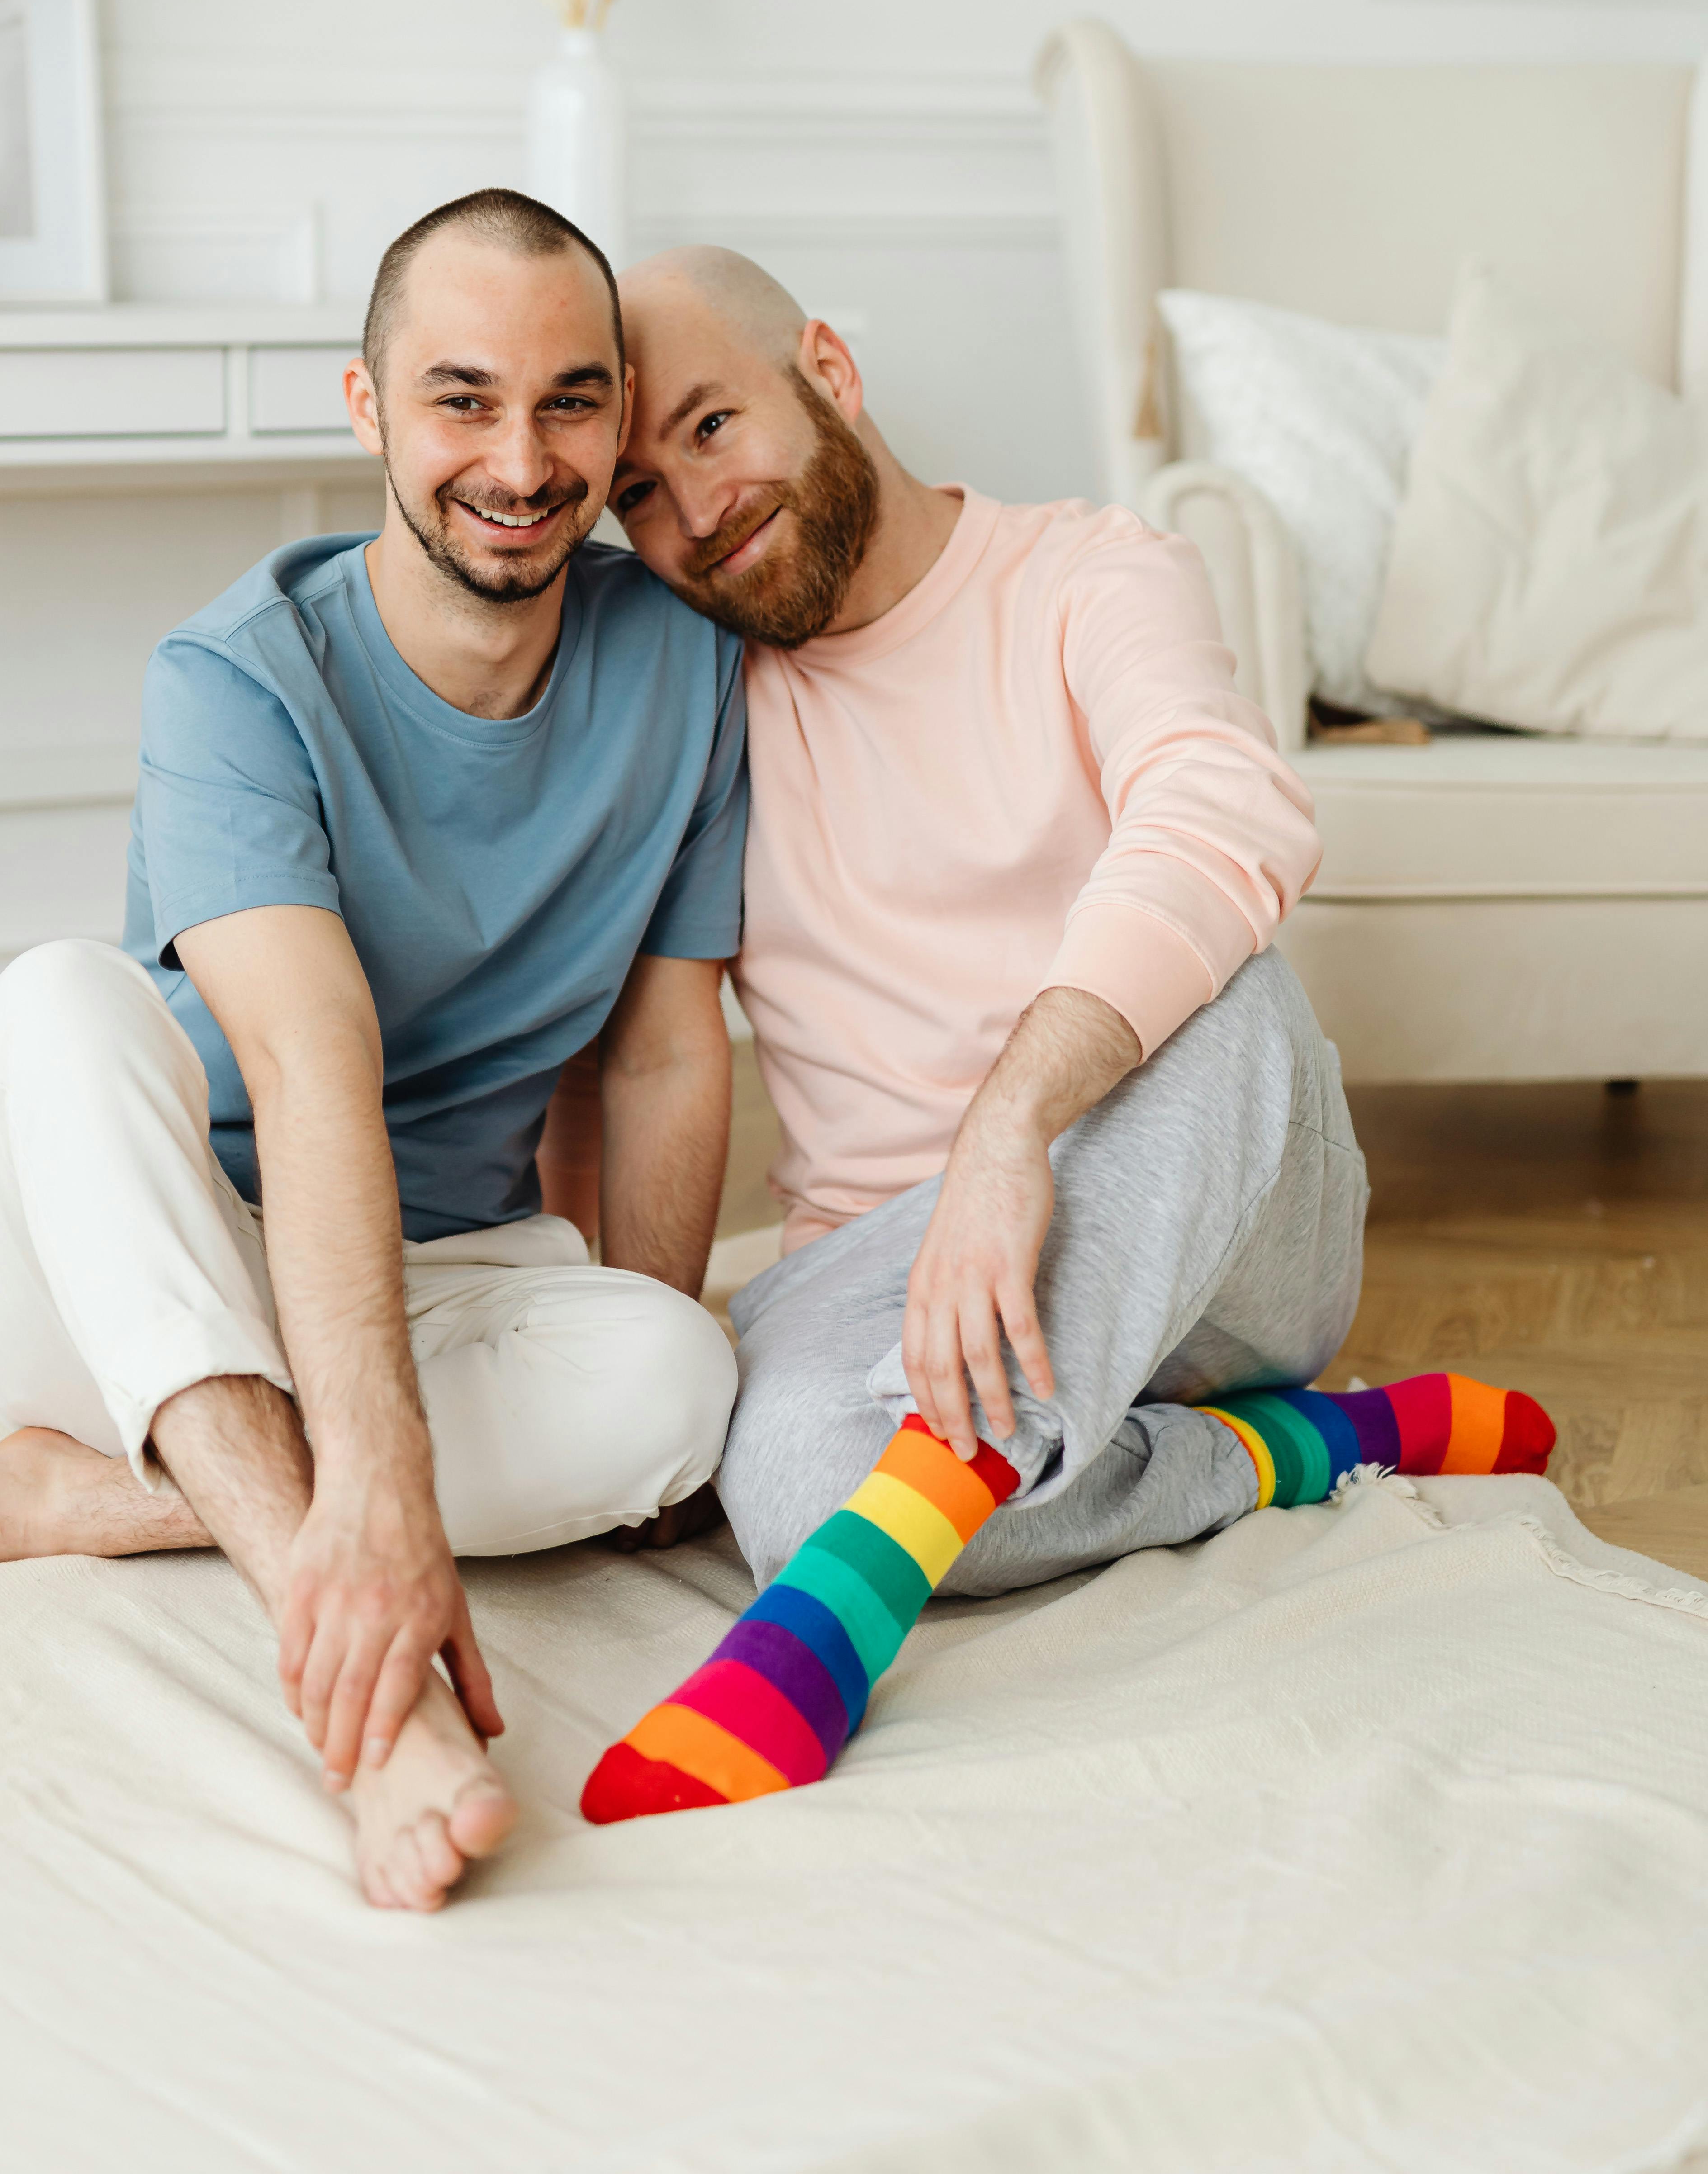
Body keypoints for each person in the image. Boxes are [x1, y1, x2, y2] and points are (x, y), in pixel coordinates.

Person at [0, 193, 748, 1910]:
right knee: (57, 997)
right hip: (146, 1285)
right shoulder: (234, 675)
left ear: (618, 412)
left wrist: (634, 1444)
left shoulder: (683, 664)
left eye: (570, 402)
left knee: (679, 1381)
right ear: (366, 407)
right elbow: (306, 1067)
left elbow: (664, 1055)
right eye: (460, 399)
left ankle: (71, 1507)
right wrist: (381, 1489)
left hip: (433, 1276)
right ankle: (372, 1708)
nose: (520, 461)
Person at [582, 248, 1553, 1822]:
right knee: (790, 1485)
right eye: (637, 490)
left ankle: (884, 1560)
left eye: (710, 424)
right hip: (879, 1261)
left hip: (1204, 1223)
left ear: (827, 367)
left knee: (1237, 994)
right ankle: (1291, 1452)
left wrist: (1012, 1125)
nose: (693, 510)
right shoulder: (684, 683)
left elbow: (1221, 805)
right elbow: (634, 1038)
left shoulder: (1092, 571)